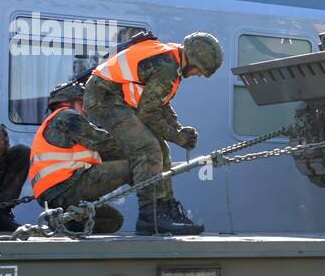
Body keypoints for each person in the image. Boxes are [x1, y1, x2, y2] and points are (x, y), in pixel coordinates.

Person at [83, 32, 223, 235]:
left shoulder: (171, 59)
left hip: (115, 98)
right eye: (199, 70)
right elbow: (148, 113)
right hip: (103, 100)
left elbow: (160, 105)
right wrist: (177, 136)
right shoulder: (167, 67)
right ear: (192, 60)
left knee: (162, 149)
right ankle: (150, 216)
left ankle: (165, 209)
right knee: (147, 147)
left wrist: (177, 129)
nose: (198, 75)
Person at [28, 81, 133, 234]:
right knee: (136, 165)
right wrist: (141, 150)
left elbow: (106, 152)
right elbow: (104, 142)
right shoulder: (67, 117)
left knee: (112, 220)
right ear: (69, 102)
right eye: (82, 104)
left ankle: (65, 226)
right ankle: (154, 213)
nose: (85, 110)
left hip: (56, 194)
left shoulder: (55, 123)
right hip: (65, 188)